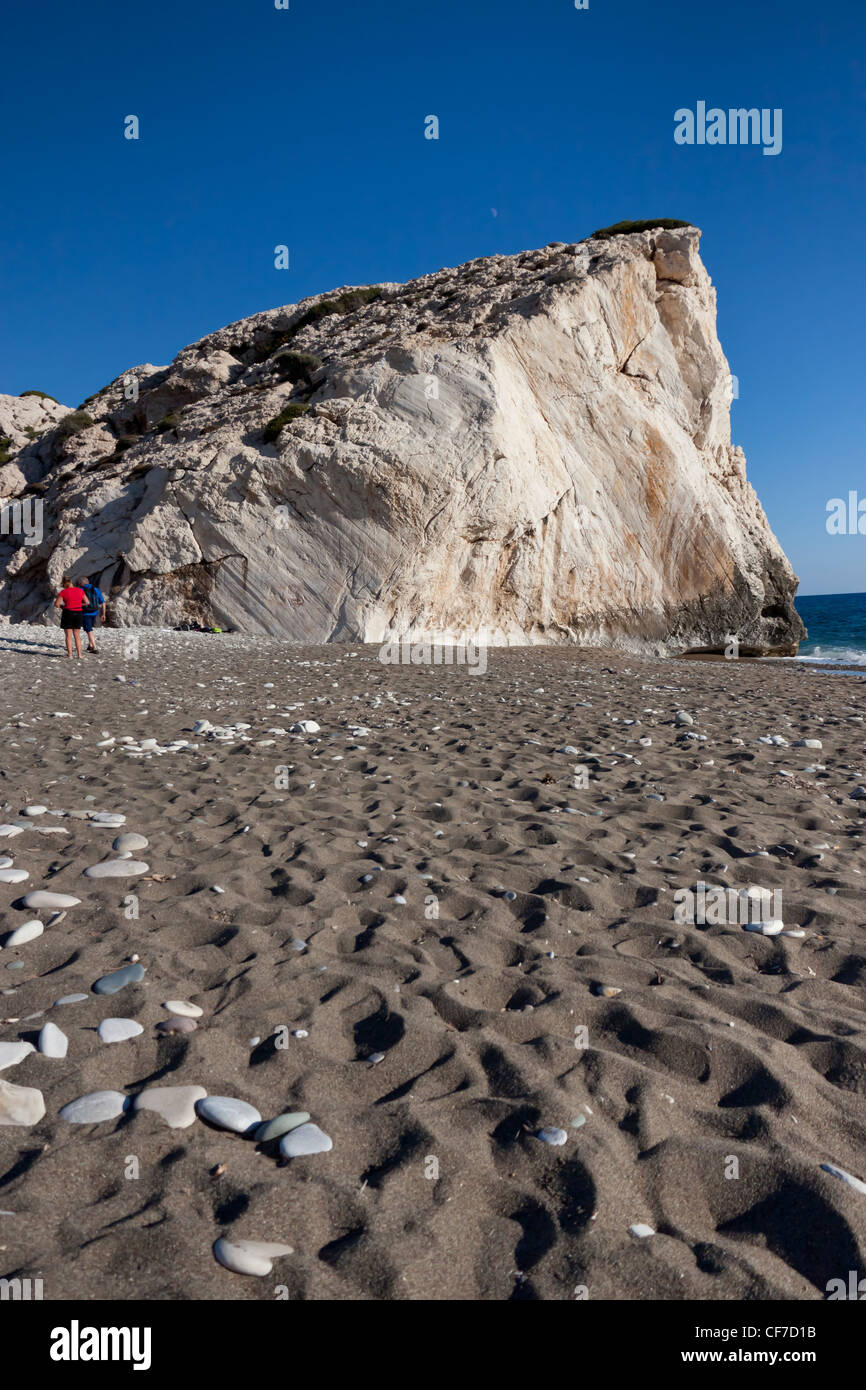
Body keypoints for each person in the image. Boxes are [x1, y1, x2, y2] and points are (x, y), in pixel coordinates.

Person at [54, 575, 87, 658]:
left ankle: (70, 655)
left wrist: (63, 606)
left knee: (68, 636)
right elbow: (87, 602)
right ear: (71, 583)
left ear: (64, 585)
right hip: (78, 612)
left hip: (68, 613)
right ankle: (79, 654)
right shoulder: (80, 590)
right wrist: (79, 604)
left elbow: (57, 604)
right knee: (77, 635)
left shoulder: (63, 592)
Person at [78, 575, 107, 652]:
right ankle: (90, 645)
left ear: (81, 583)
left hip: (85, 613)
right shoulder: (96, 589)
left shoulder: (80, 590)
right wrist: (103, 614)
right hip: (95, 612)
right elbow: (103, 603)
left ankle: (94, 647)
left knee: (89, 629)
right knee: (89, 628)